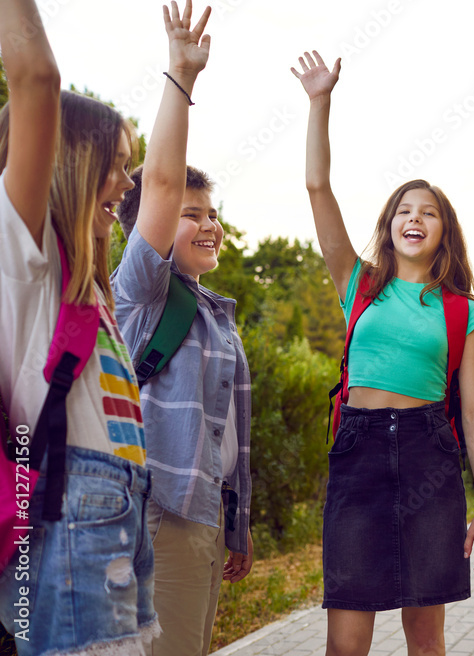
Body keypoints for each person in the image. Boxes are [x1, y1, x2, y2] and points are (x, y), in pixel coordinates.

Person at [290, 50, 474, 656]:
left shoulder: (463, 310)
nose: (415, 218)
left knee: (426, 640)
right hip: (357, 453)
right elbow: (317, 186)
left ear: (443, 231)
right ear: (388, 226)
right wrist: (320, 101)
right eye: (404, 211)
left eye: (428, 213)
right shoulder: (358, 282)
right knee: (346, 641)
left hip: (428, 454)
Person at [0, 1, 159, 653]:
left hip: (121, 504)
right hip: (73, 511)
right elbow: (37, 78)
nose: (127, 183)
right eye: (115, 164)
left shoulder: (87, 285)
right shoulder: (29, 260)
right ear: (67, 164)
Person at [110, 4, 252, 654]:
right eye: (193, 215)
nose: (210, 225)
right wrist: (181, 77)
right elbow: (162, 182)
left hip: (203, 515)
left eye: (213, 213)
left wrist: (236, 522)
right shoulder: (143, 289)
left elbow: (230, 434)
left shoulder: (217, 313)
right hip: (158, 511)